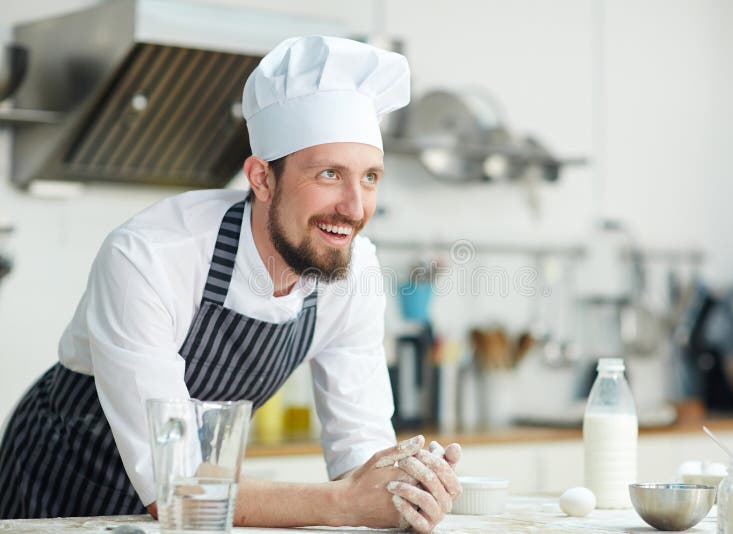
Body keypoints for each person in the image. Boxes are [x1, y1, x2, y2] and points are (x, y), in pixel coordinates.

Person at [0, 35, 461, 532]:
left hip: (203, 506)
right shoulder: (150, 256)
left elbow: (361, 450)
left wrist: (404, 492)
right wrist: (347, 502)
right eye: (330, 174)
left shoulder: (352, 271)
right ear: (261, 179)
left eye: (370, 177)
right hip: (58, 487)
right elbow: (173, 487)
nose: (354, 208)